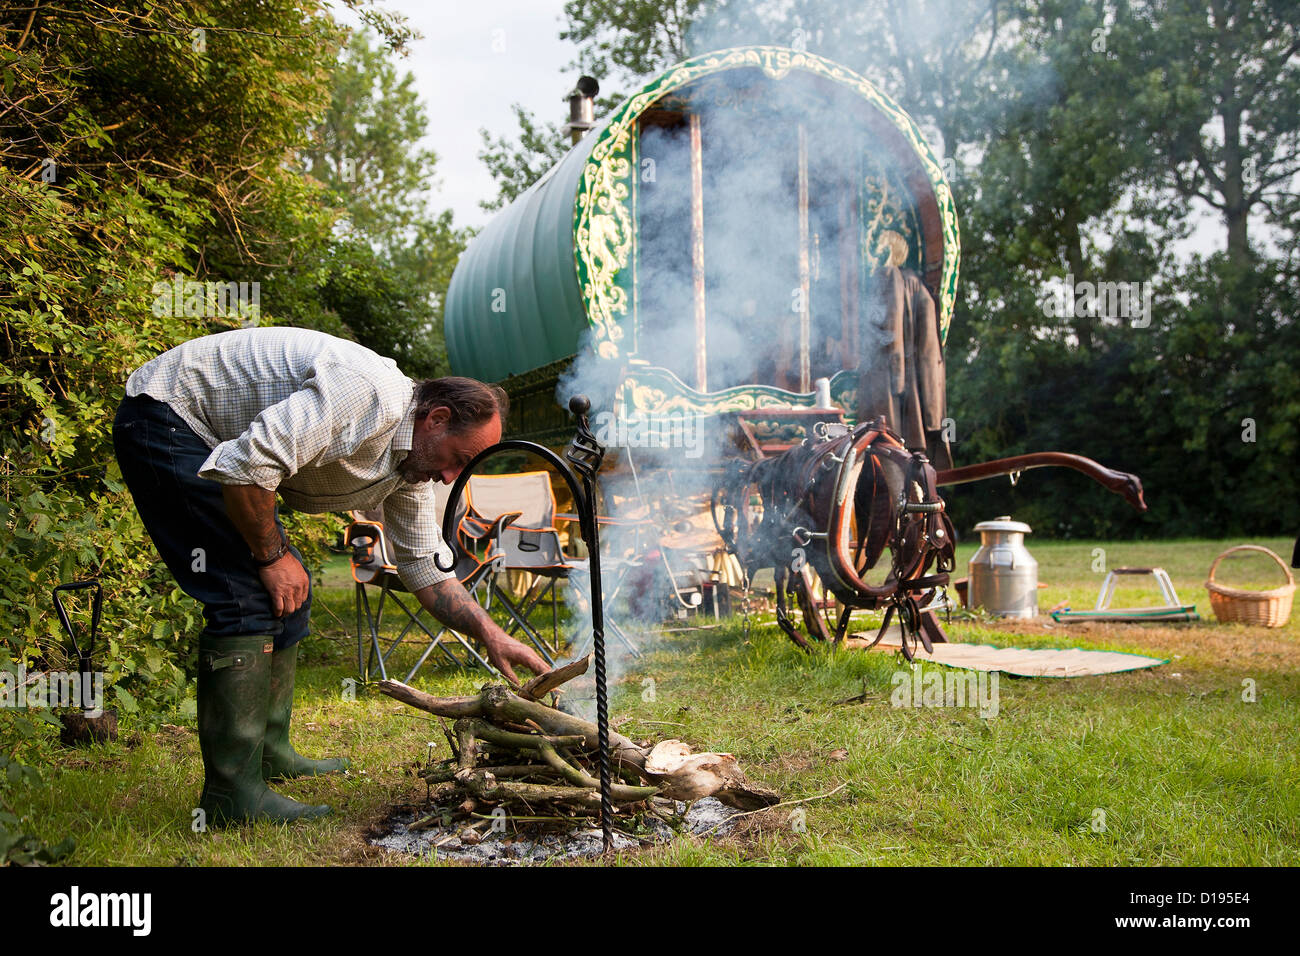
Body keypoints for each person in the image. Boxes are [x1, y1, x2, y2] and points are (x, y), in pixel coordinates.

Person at [112, 326, 550, 826]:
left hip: (227, 455)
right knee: (246, 599)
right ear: (437, 418)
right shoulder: (369, 395)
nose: (452, 479)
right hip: (170, 417)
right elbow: (248, 467)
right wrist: (271, 555)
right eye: (459, 461)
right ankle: (231, 796)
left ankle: (270, 753)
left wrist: (492, 635)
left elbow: (425, 568)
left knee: (289, 596)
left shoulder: (407, 470)